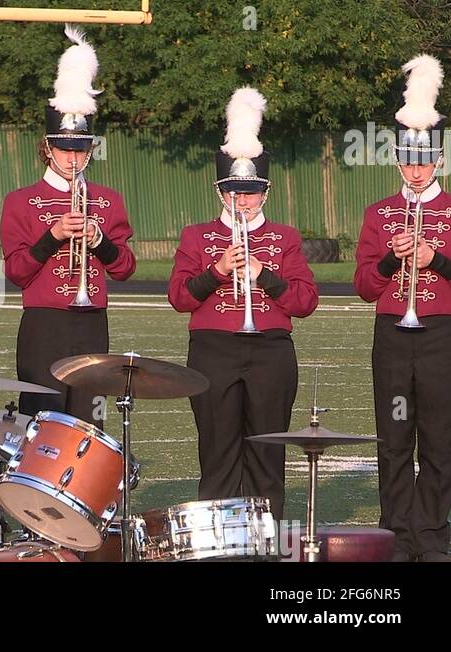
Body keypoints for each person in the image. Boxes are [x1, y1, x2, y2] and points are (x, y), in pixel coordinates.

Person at [167, 87, 318, 524]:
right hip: (213, 350)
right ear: (220, 190)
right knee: (217, 454)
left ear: (265, 191)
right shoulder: (196, 236)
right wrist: (215, 272)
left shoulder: (285, 237)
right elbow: (179, 298)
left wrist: (264, 275)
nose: (242, 199)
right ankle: (218, 543)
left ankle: (266, 544)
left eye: (250, 191)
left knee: (267, 455)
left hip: (271, 349)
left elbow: (306, 302)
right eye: (234, 190)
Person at [0, 27, 135, 426]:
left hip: (93, 320)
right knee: (41, 422)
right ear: (47, 147)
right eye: (65, 147)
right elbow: (16, 272)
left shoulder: (108, 199)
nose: (74, 156)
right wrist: (53, 236)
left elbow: (125, 269)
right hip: (44, 324)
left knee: (90, 423)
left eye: (82, 148)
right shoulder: (20, 200)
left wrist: (99, 241)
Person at [354, 55, 451, 562]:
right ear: (397, 161)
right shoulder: (378, 213)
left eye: (424, 161)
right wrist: (394, 258)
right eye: (408, 162)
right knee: (394, 439)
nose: (416, 171)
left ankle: (432, 537)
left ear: (438, 161)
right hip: (393, 332)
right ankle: (396, 534)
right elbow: (365, 285)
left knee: (439, 440)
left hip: (441, 334)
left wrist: (438, 259)